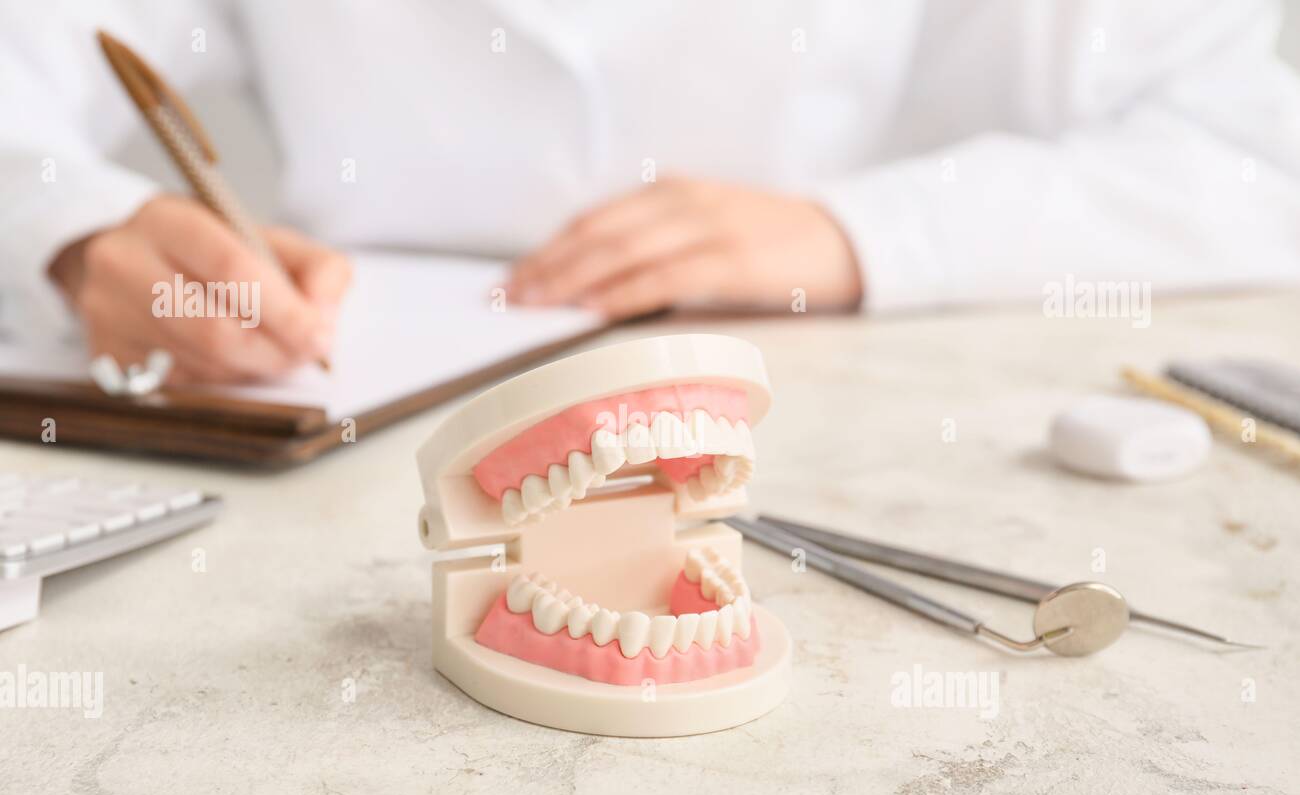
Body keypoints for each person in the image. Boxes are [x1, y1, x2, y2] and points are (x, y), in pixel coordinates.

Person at [2, 0, 1298, 383]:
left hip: (803, 400)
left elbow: (1260, 150)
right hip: (318, 389)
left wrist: (861, 234)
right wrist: (72, 231)